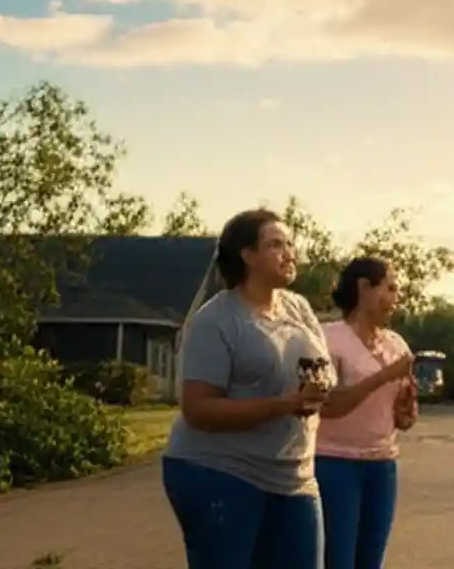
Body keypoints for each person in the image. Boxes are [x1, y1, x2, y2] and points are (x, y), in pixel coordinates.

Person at [163, 209, 335, 569]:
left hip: (294, 476)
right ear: (248, 255)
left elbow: (324, 374)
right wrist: (282, 405)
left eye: (290, 244)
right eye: (276, 245)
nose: (289, 253)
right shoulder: (217, 320)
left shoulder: (298, 308)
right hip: (220, 472)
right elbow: (198, 410)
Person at [314, 257, 418, 569]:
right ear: (364, 288)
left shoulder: (396, 344)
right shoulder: (328, 339)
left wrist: (407, 409)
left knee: (370, 560)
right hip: (334, 462)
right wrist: (384, 376)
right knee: (338, 558)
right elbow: (328, 406)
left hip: (381, 464)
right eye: (390, 288)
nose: (395, 299)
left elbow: (402, 417)